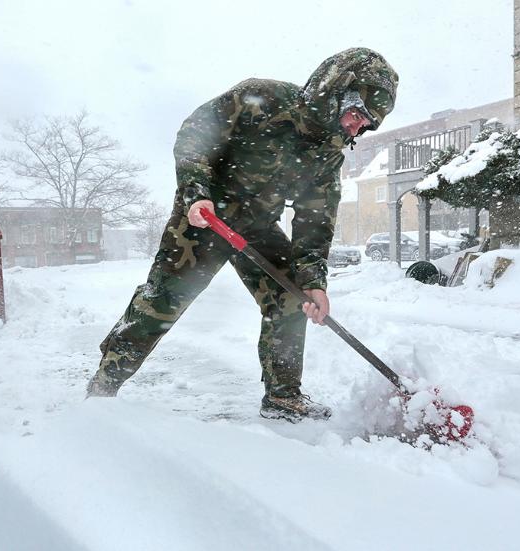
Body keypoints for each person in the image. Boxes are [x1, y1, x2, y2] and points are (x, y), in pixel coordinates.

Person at [87, 48, 399, 422]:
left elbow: (314, 221)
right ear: (336, 91)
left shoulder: (327, 152)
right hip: (205, 218)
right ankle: (104, 384)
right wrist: (195, 191)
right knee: (162, 303)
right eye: (357, 115)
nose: (357, 127)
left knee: (289, 296)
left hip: (257, 227)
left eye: (367, 124)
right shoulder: (261, 99)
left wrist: (314, 282)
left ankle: (283, 397)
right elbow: (195, 136)